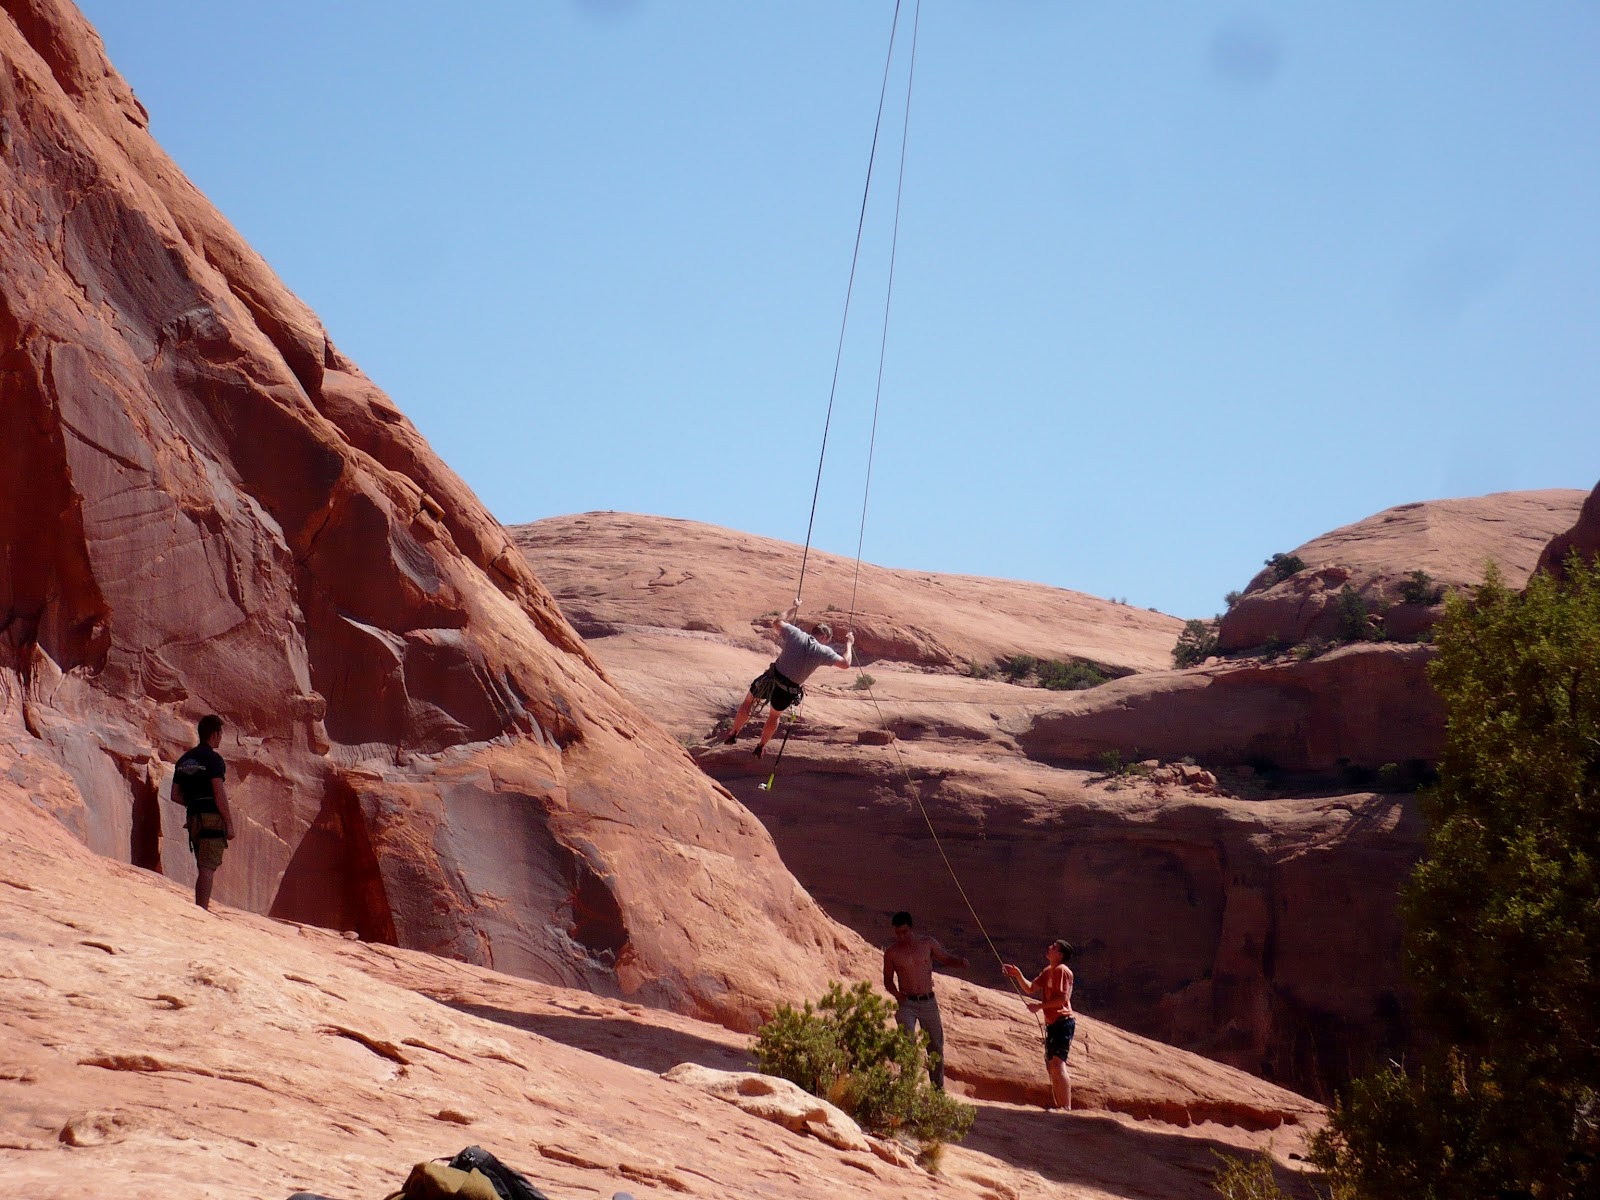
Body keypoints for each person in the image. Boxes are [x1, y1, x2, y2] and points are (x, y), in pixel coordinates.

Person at [723, 601, 854, 756]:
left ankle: (734, 733)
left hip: (771, 678)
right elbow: (846, 663)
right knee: (774, 715)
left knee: (749, 702)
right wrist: (849, 644)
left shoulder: (795, 633)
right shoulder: (824, 651)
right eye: (828, 640)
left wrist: (794, 607)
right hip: (788, 690)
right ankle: (760, 746)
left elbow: (777, 622)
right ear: (824, 637)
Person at [882, 910, 969, 1089]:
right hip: (907, 1003)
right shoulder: (892, 953)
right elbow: (888, 980)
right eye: (897, 933)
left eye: (904, 932)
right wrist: (898, 995)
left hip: (928, 1001)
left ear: (911, 928)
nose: (901, 936)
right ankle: (907, 1090)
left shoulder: (926, 943)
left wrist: (959, 962)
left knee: (935, 1046)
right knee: (908, 1046)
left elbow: (945, 958)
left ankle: (937, 1092)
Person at [169, 713, 235, 910]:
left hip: (193, 818)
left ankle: (201, 907)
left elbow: (175, 795)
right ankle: (202, 910)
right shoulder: (213, 760)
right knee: (207, 868)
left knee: (202, 865)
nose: (221, 738)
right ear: (214, 734)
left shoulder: (184, 760)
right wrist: (229, 824)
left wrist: (194, 804)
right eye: (221, 734)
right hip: (211, 819)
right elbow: (218, 793)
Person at [1004, 940, 1076, 1111]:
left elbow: (1062, 999)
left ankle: (1065, 1107)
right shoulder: (1048, 971)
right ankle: (1061, 1106)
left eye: (1054, 947)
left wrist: (1040, 1007)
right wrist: (1018, 975)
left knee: (1058, 1064)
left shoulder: (1062, 971)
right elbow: (1030, 988)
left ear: (1059, 955)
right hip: (1053, 1024)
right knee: (1052, 1065)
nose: (1049, 947)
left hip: (1063, 1022)